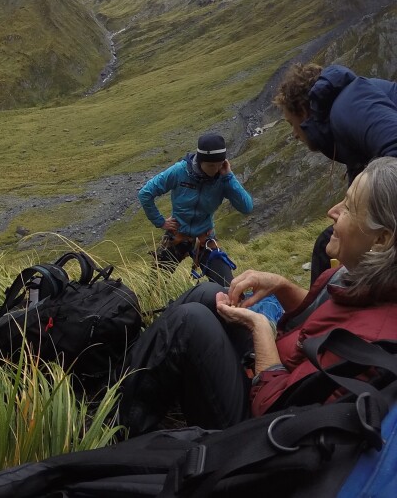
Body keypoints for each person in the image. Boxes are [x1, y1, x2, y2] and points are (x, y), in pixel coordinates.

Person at [118, 156, 397, 437]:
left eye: (348, 207)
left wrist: (260, 328)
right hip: (279, 368)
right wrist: (282, 286)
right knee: (210, 293)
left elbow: (277, 412)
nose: (332, 211)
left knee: (191, 322)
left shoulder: (366, 342)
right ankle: (124, 380)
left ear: (381, 239)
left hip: (260, 430)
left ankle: (120, 428)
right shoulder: (358, 277)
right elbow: (319, 316)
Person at [274, 63, 397, 283]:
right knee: (331, 243)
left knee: (330, 245)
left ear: (303, 111)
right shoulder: (343, 109)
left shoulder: (348, 106)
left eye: (291, 124)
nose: (294, 134)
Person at [138, 133, 254, 286]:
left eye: (219, 164)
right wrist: (160, 221)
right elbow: (145, 193)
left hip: (204, 238)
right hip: (176, 236)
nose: (215, 170)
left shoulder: (223, 178)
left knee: (227, 285)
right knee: (152, 287)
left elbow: (247, 207)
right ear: (199, 161)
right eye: (211, 165)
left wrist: (229, 177)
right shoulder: (179, 171)